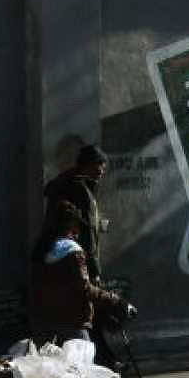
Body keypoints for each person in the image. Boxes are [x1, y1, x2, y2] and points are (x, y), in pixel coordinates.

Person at [27, 204, 126, 346]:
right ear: (71, 225)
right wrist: (114, 299)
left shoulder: (41, 250)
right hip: (72, 323)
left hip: (43, 325)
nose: (78, 231)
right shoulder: (72, 251)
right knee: (81, 365)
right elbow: (85, 288)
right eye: (77, 225)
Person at [43, 144, 110, 279]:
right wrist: (94, 270)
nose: (101, 173)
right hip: (77, 263)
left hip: (57, 259)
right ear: (87, 165)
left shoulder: (63, 184)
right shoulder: (80, 190)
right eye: (99, 168)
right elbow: (88, 231)